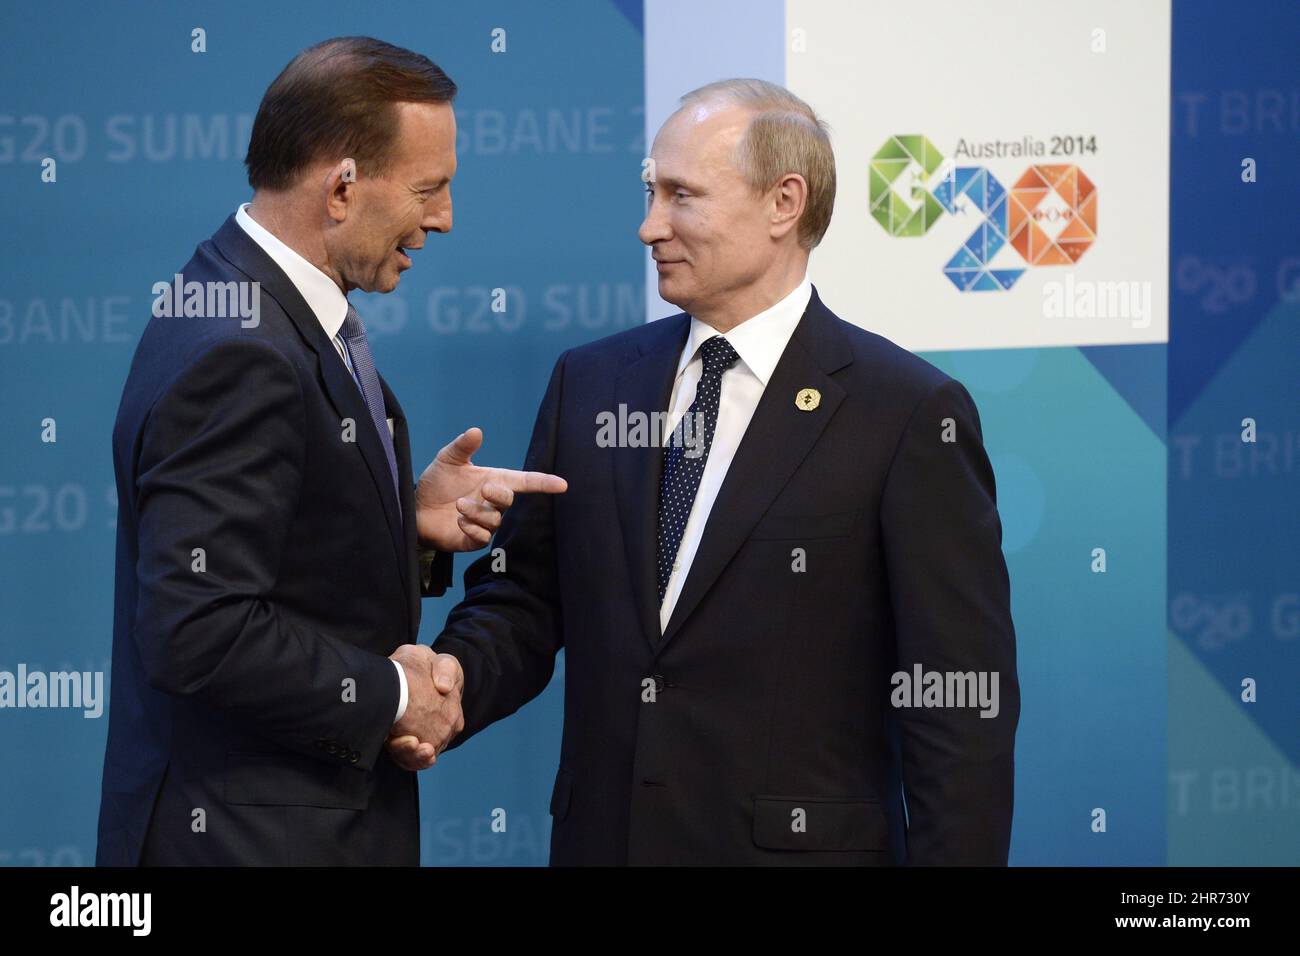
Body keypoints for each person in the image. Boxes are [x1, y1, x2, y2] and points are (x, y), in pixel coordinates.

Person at [394, 77, 1020, 865]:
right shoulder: (592, 382)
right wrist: (450, 686)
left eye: (682, 196)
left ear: (784, 204)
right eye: (652, 191)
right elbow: (526, 597)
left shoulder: (905, 413)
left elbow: (958, 707)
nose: (649, 225)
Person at [96, 37, 565, 867]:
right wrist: (394, 695)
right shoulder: (240, 347)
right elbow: (196, 628)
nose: (444, 217)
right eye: (430, 189)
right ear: (342, 187)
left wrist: (402, 520)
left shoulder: (253, 302)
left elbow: (275, 550)